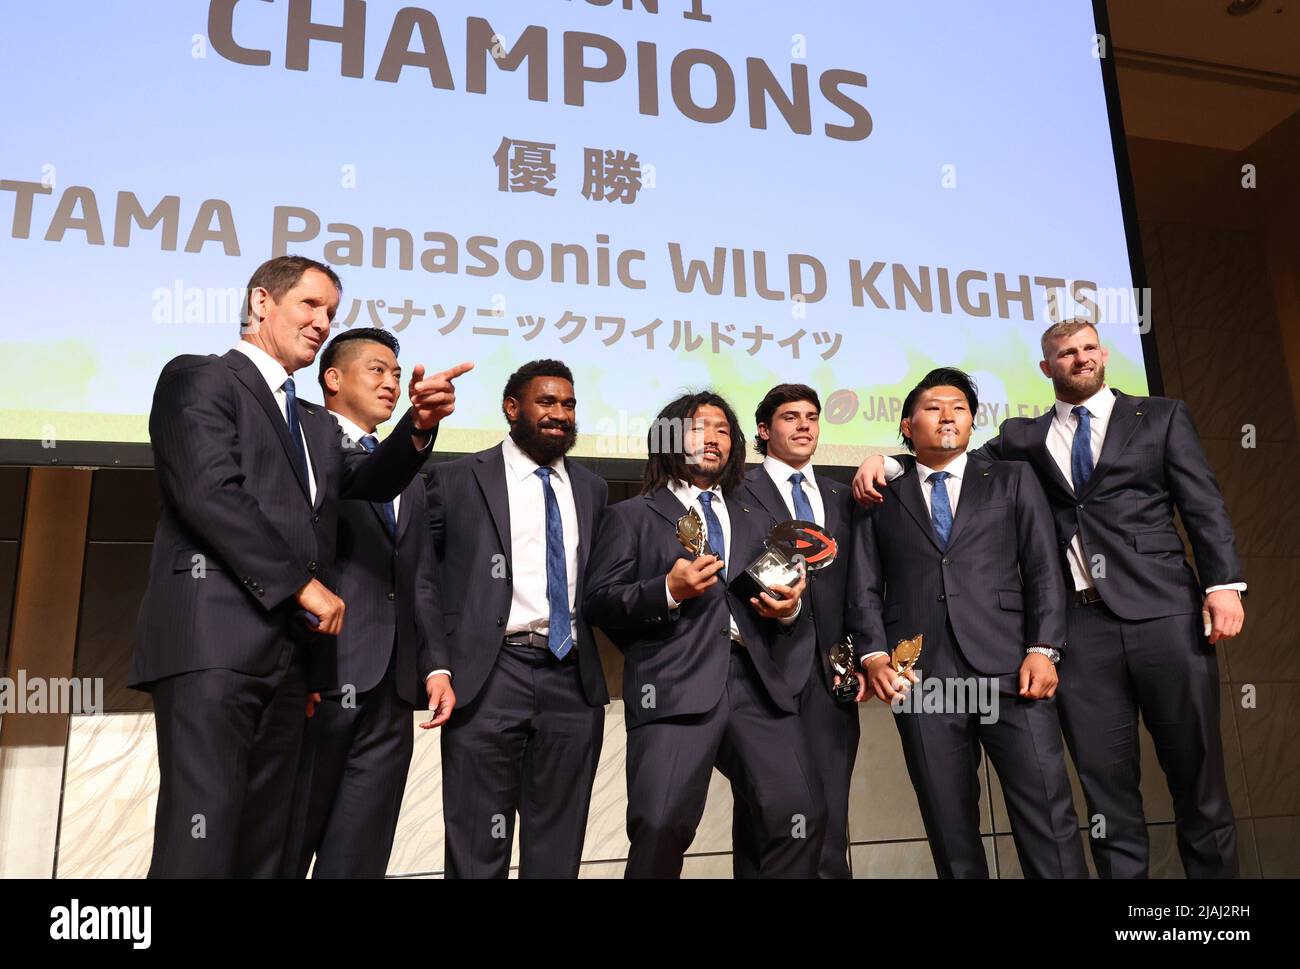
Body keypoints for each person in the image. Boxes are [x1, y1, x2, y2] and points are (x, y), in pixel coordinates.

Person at [854, 321, 1246, 878]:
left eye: (1088, 348)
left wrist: (1222, 583)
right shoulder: (1022, 438)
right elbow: (945, 455)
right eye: (1066, 352)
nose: (1080, 358)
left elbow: (1203, 504)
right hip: (1081, 631)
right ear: (1046, 367)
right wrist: (887, 461)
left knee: (1199, 780)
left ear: (1104, 355)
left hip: (1166, 615)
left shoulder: (1160, 416)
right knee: (1106, 795)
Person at [131, 255, 469, 877]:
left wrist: (419, 428)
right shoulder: (199, 377)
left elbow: (370, 479)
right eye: (310, 306)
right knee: (202, 835)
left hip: (290, 660)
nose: (321, 322)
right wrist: (299, 585)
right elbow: (210, 493)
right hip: (213, 641)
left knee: (266, 843)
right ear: (262, 302)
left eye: (331, 313)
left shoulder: (311, 421)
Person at [846, 367, 1085, 878]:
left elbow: (1044, 567)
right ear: (908, 426)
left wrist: (1045, 648)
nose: (948, 415)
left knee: (1048, 816)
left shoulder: (1011, 477)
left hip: (1010, 671)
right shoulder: (879, 492)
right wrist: (873, 654)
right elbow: (863, 584)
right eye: (933, 408)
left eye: (959, 407)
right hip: (922, 679)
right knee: (949, 825)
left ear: (974, 422)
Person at [585, 391, 825, 878]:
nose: (713, 439)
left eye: (722, 430)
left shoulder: (760, 516)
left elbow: (780, 596)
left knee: (799, 816)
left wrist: (787, 609)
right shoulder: (632, 515)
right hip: (673, 686)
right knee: (660, 824)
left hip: (757, 685)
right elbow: (599, 600)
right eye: (699, 428)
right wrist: (666, 591)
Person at [282, 327, 456, 878]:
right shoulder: (300, 442)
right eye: (377, 370)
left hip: (390, 688)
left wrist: (435, 664)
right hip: (321, 675)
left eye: (398, 374)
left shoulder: (402, 467)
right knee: (284, 842)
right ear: (332, 379)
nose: (392, 383)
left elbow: (420, 578)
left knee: (359, 852)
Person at [427, 360, 609, 878]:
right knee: (476, 843)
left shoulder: (593, 490)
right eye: (546, 402)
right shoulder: (455, 479)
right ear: (512, 408)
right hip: (488, 677)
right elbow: (422, 582)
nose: (559, 415)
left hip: (573, 680)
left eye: (568, 405)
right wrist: (437, 664)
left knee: (559, 844)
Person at [731, 384, 865, 879]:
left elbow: (861, 584)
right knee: (764, 815)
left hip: (833, 675)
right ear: (765, 431)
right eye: (790, 417)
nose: (805, 425)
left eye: (812, 416)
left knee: (830, 813)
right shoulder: (734, 492)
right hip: (760, 670)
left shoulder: (843, 494)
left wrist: (866, 655)